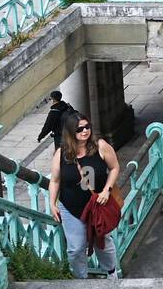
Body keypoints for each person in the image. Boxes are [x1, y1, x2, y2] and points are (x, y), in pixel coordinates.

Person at [49, 112, 120, 280]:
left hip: (97, 206)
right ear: (70, 132)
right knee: (75, 248)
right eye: (79, 129)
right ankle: (82, 279)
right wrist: (52, 203)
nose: (85, 131)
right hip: (71, 207)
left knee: (102, 242)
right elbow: (55, 180)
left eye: (87, 127)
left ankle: (111, 273)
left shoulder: (100, 146)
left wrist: (107, 190)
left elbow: (115, 167)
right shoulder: (61, 154)